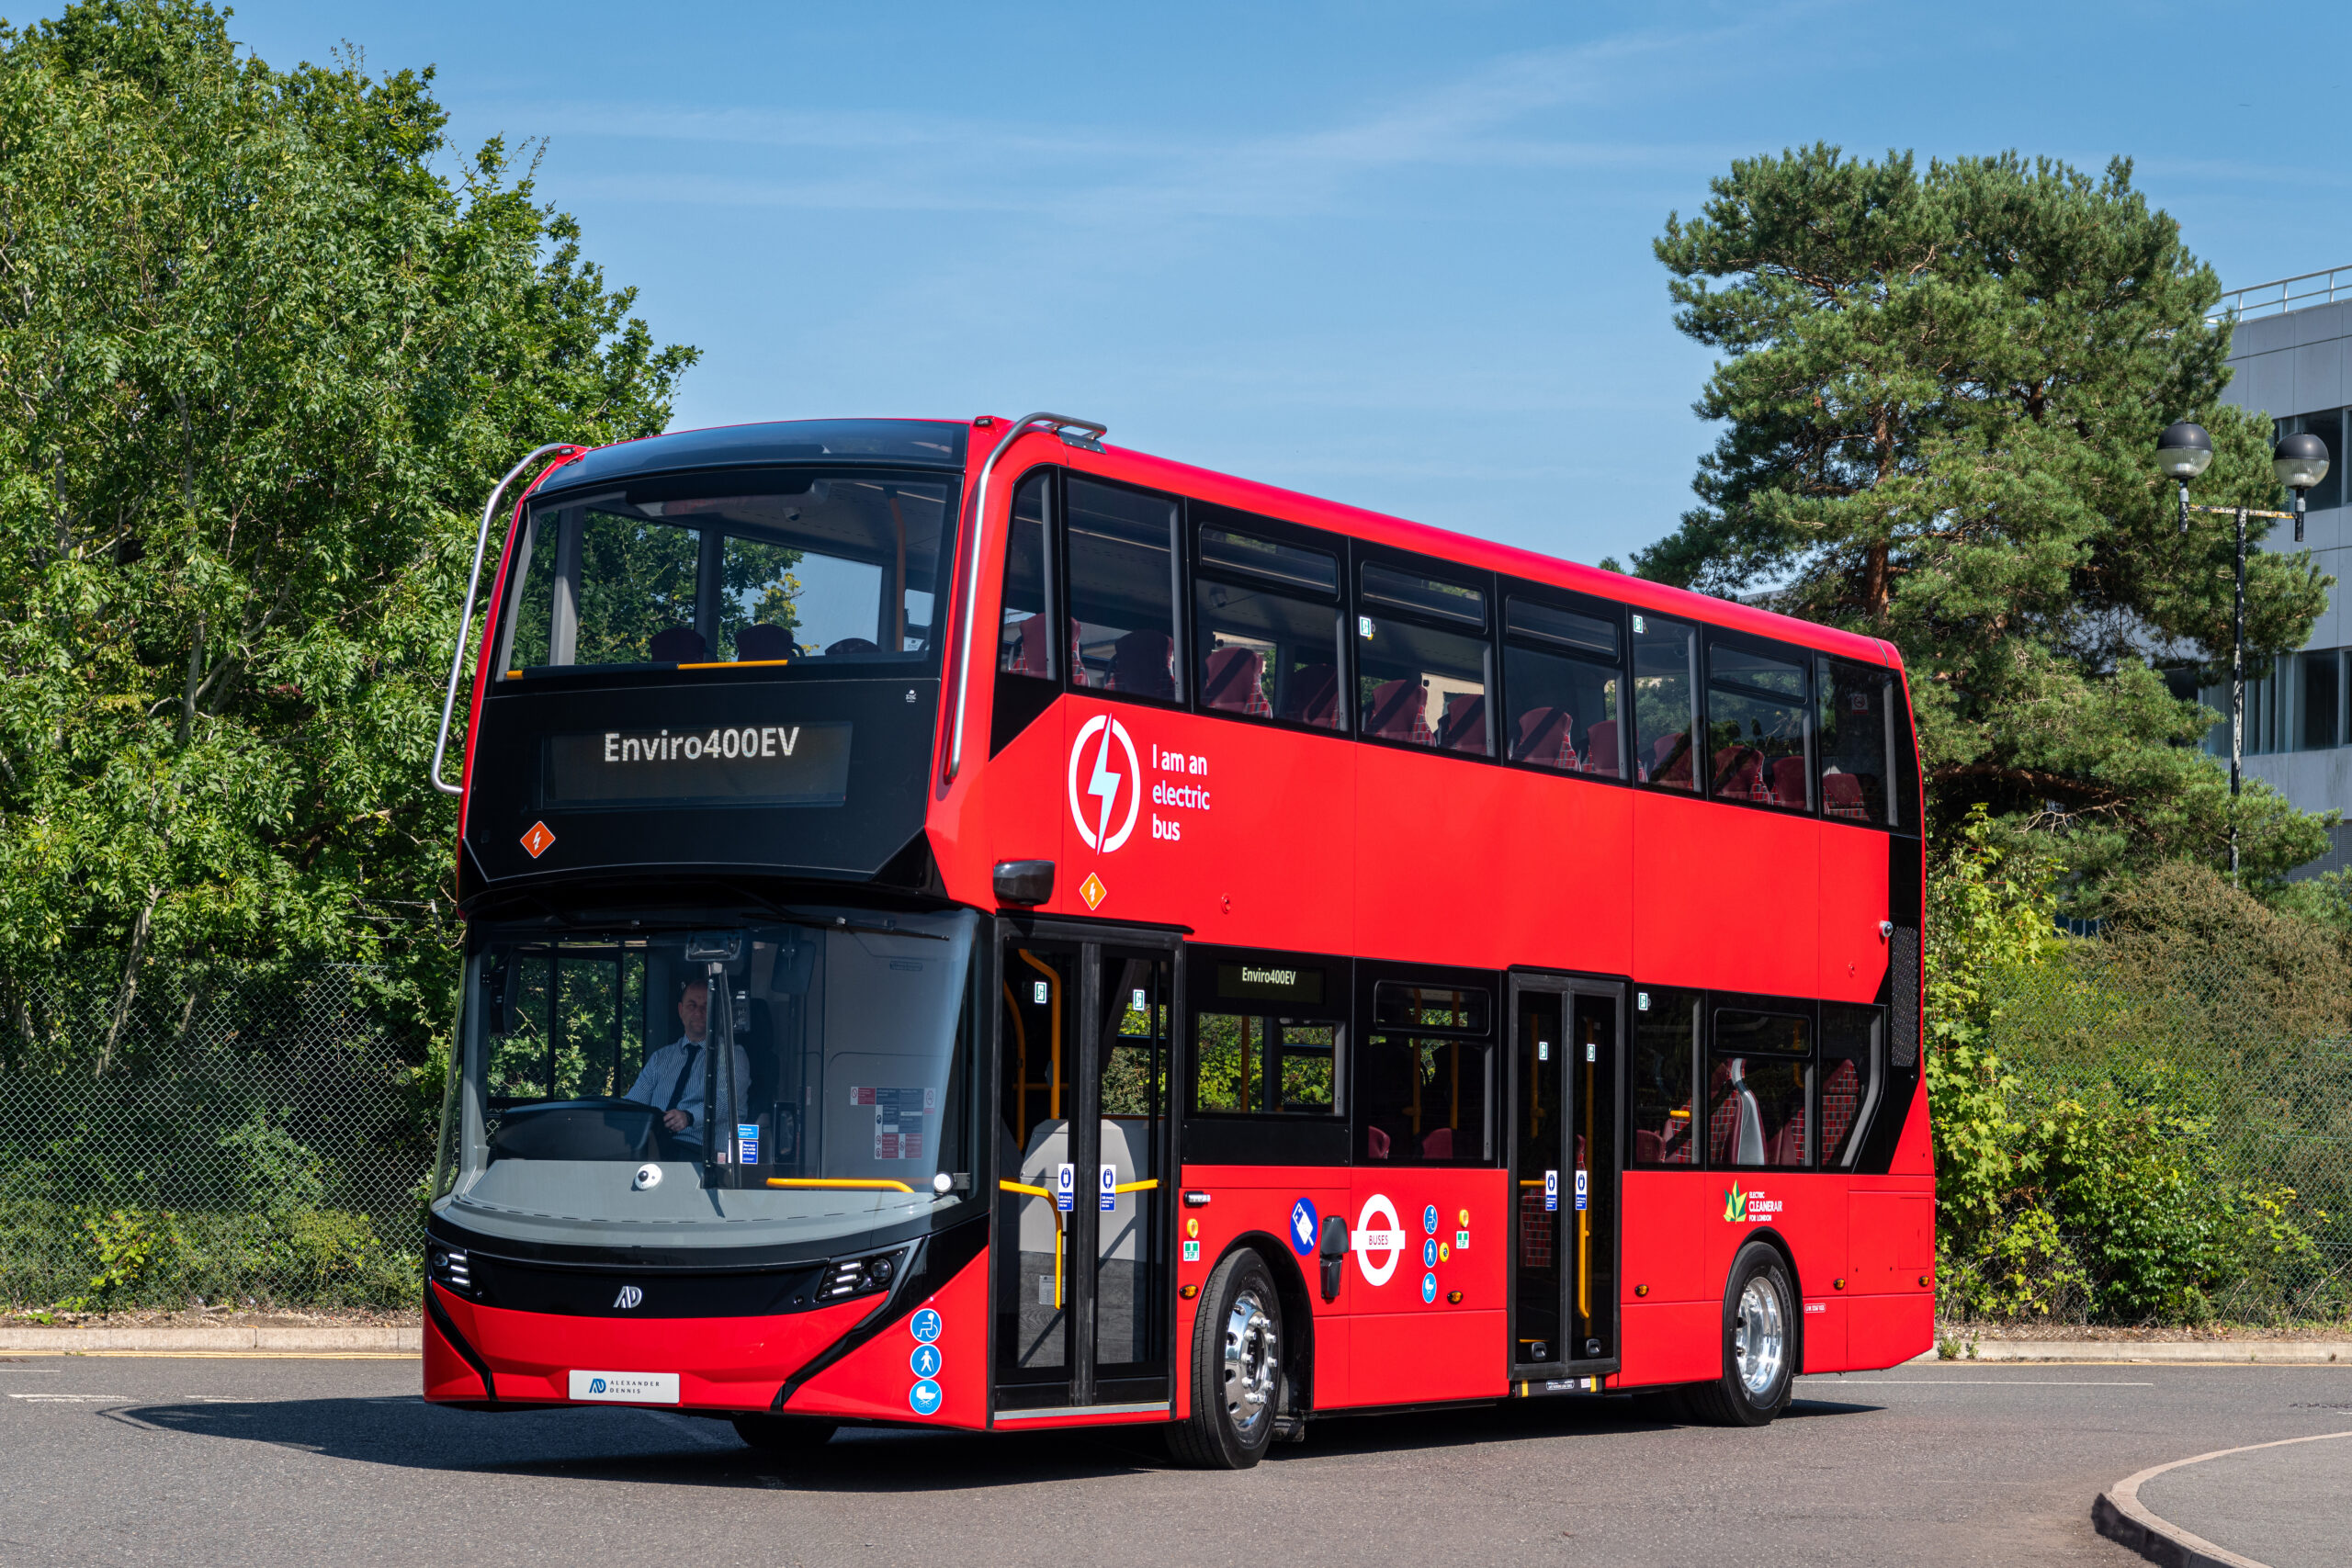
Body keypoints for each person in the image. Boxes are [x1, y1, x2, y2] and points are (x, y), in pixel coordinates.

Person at [623, 976, 752, 1148]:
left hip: (703, 1153)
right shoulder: (660, 1058)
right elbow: (634, 1104)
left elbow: (725, 1102)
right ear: (680, 1010)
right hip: (655, 1149)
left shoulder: (731, 1055)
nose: (699, 1013)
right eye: (692, 1005)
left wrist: (689, 1117)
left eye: (706, 1006)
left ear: (717, 1012)